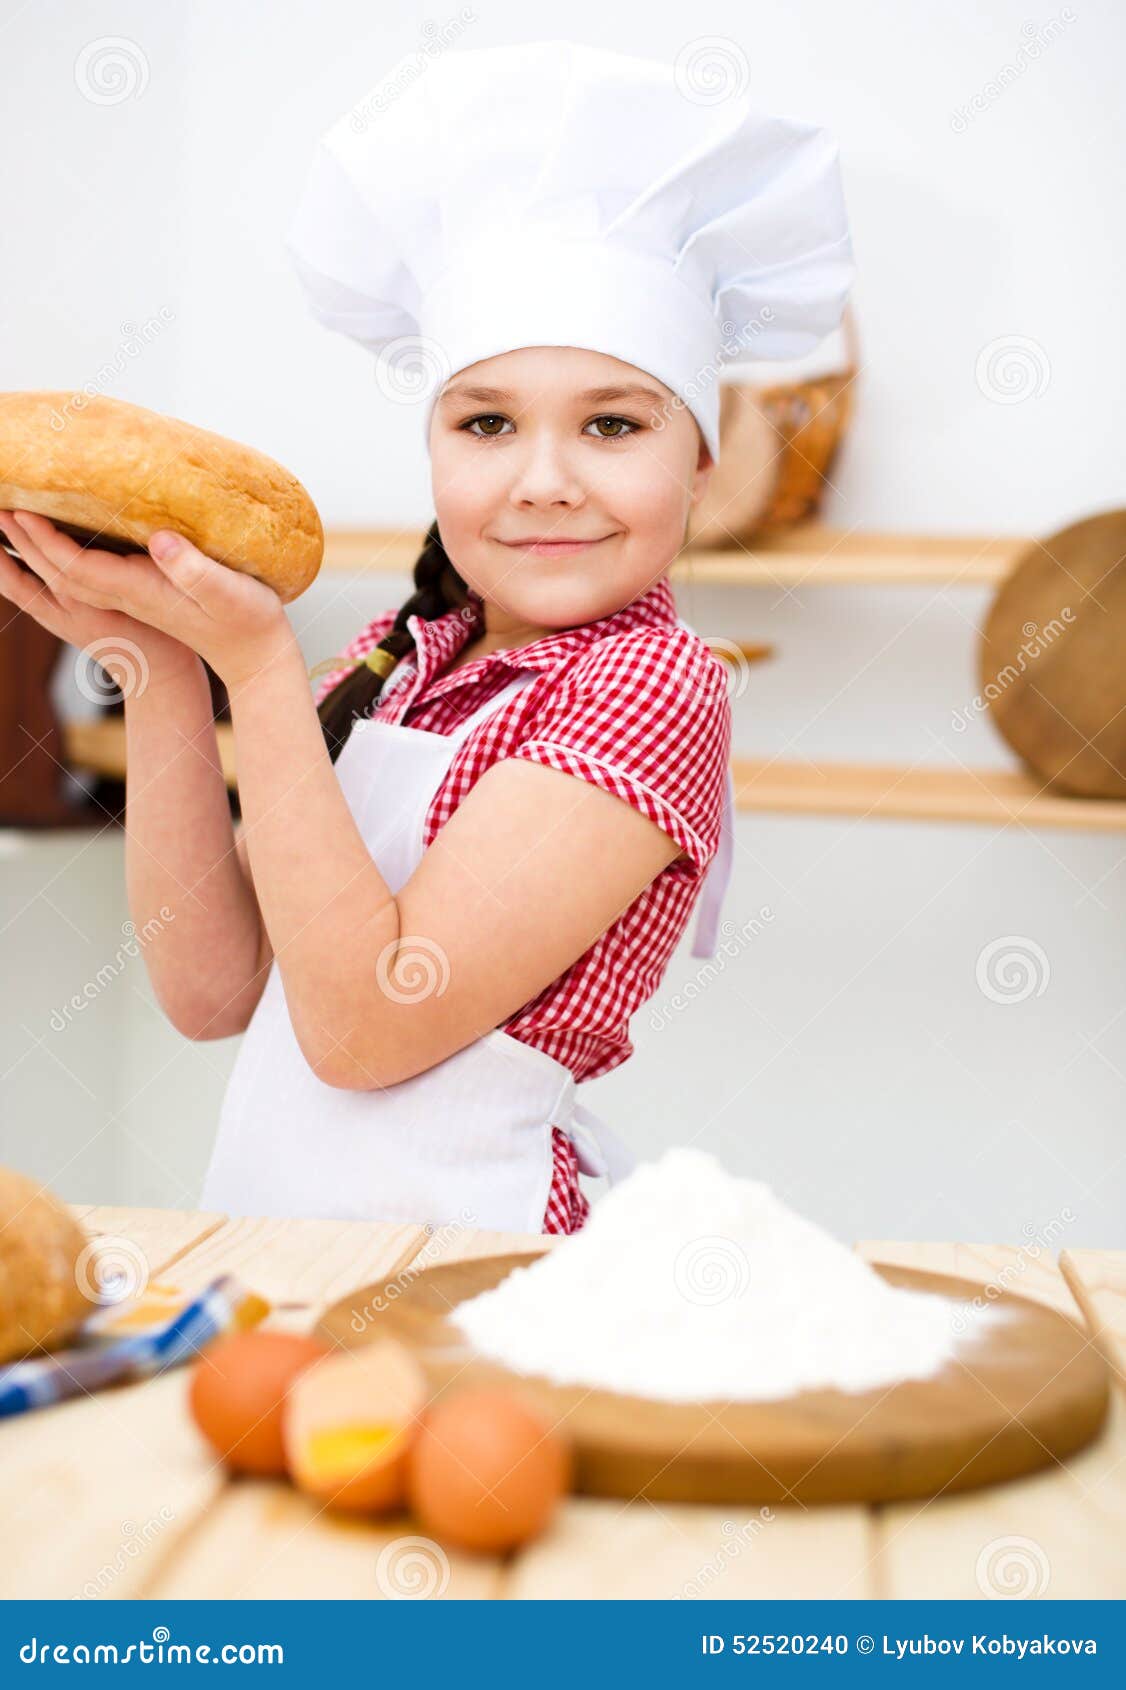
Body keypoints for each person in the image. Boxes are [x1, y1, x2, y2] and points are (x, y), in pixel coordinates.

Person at [0, 41, 853, 1236]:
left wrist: (257, 668)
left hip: (475, 1267)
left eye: (611, 424)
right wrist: (159, 667)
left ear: (699, 467)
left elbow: (364, 1030)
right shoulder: (401, 656)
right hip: (277, 1254)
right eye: (488, 421)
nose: (544, 480)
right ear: (435, 441)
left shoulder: (651, 684)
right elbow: (211, 987)